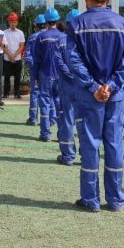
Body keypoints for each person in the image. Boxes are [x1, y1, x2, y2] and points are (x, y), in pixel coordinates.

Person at [63, 0, 124, 213]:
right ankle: (115, 200)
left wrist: (94, 87)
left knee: (90, 145)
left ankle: (91, 200)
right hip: (113, 96)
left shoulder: (77, 24)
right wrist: (111, 85)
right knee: (114, 144)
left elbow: (73, 60)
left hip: (88, 96)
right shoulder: (122, 24)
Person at [32, 8, 64, 142]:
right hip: (60, 75)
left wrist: (35, 76)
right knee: (59, 104)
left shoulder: (40, 37)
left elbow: (35, 58)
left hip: (45, 74)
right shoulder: (63, 37)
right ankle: (62, 134)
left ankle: (45, 134)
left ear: (45, 21)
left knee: (44, 103)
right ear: (57, 20)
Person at [53, 10, 81, 165]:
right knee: (84, 121)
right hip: (83, 86)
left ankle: (68, 156)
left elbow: (59, 62)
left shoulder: (61, 41)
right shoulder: (86, 41)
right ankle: (87, 157)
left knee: (67, 120)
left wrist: (70, 75)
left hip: (66, 86)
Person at [23, 14, 46, 125]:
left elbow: (27, 55)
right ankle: (49, 120)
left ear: (35, 25)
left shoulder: (32, 37)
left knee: (35, 93)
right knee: (48, 95)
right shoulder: (49, 36)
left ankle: (33, 118)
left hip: (35, 70)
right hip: (48, 71)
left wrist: (34, 68)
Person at [3, 12, 26, 99]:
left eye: (15, 22)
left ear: (17, 22)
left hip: (17, 58)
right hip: (7, 58)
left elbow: (22, 46)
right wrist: (10, 55)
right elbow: (3, 46)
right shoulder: (4, 32)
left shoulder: (20, 33)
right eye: (11, 21)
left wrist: (14, 55)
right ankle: (6, 93)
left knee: (17, 77)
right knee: (7, 77)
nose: (13, 23)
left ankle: (17, 93)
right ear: (8, 22)